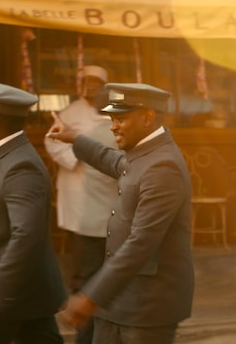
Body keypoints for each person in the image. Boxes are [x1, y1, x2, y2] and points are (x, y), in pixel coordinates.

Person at [48, 83, 195, 343]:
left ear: (148, 117)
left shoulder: (163, 166)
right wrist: (75, 138)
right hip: (119, 302)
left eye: (120, 119)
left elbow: (141, 243)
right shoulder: (144, 152)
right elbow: (114, 161)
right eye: (112, 119)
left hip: (146, 309)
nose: (113, 126)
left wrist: (90, 296)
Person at [0, 79, 67, 343]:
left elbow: (25, 238)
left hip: (11, 296)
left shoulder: (20, 166)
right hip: (20, 293)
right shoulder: (3, 155)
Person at [43, 65, 117, 344]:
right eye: (86, 82)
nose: (90, 87)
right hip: (79, 190)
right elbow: (53, 143)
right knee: (84, 260)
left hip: (107, 197)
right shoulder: (70, 113)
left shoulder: (113, 114)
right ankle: (85, 321)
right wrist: (76, 159)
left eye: (96, 83)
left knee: (106, 262)